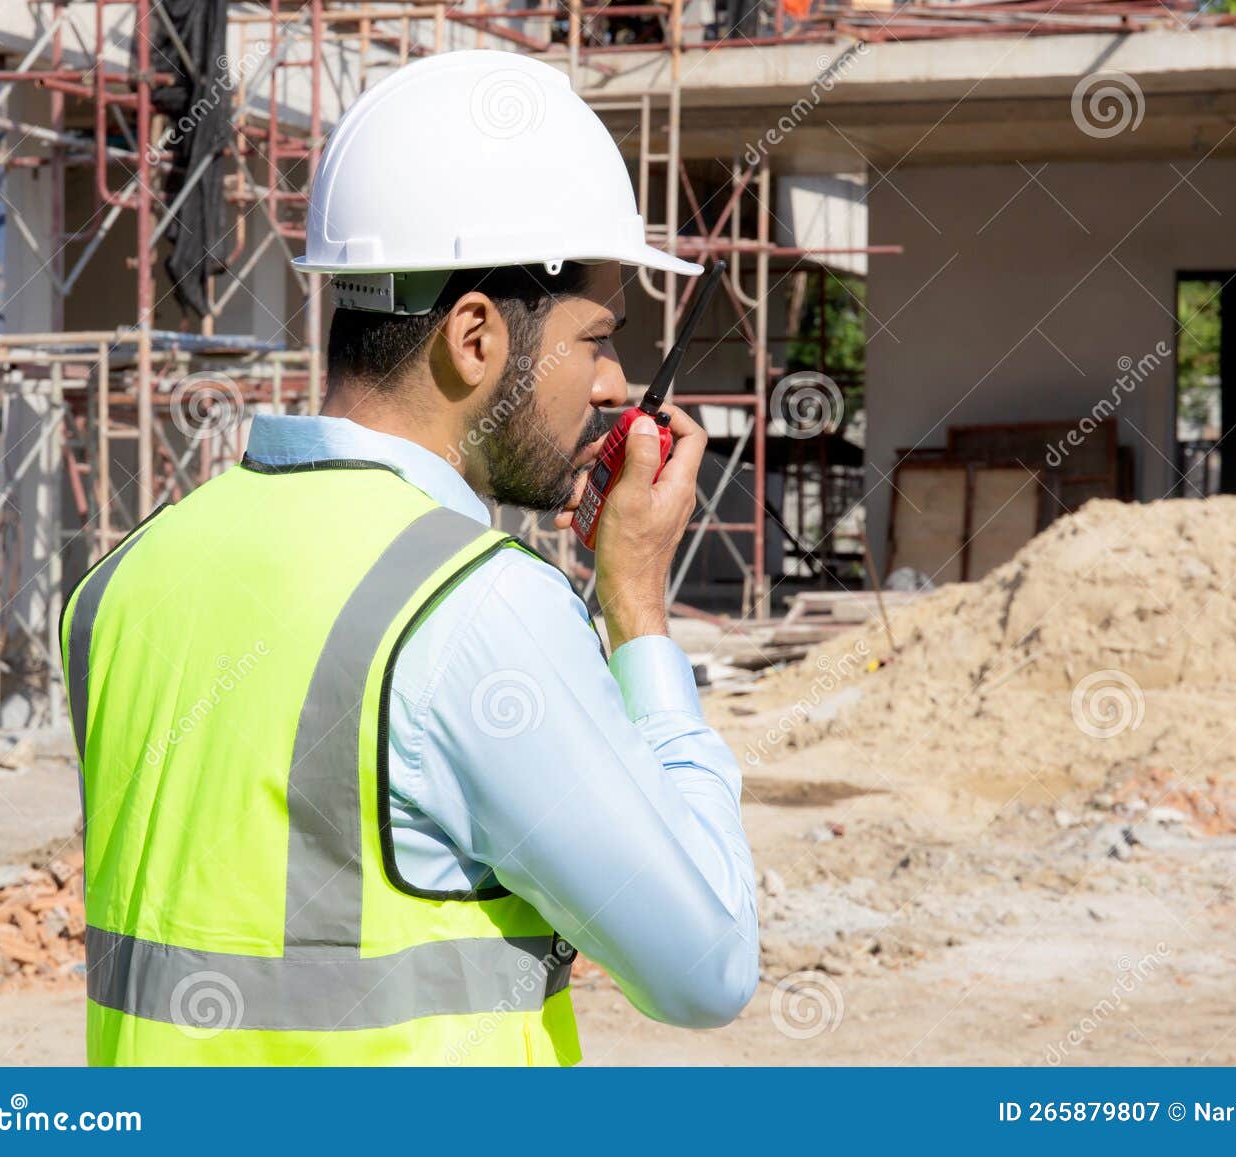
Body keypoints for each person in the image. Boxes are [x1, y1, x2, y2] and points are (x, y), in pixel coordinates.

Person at [60, 49, 759, 1066]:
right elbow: (705, 967)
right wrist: (638, 615)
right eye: (599, 336)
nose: (613, 384)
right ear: (476, 336)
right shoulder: (476, 608)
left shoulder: (126, 576)